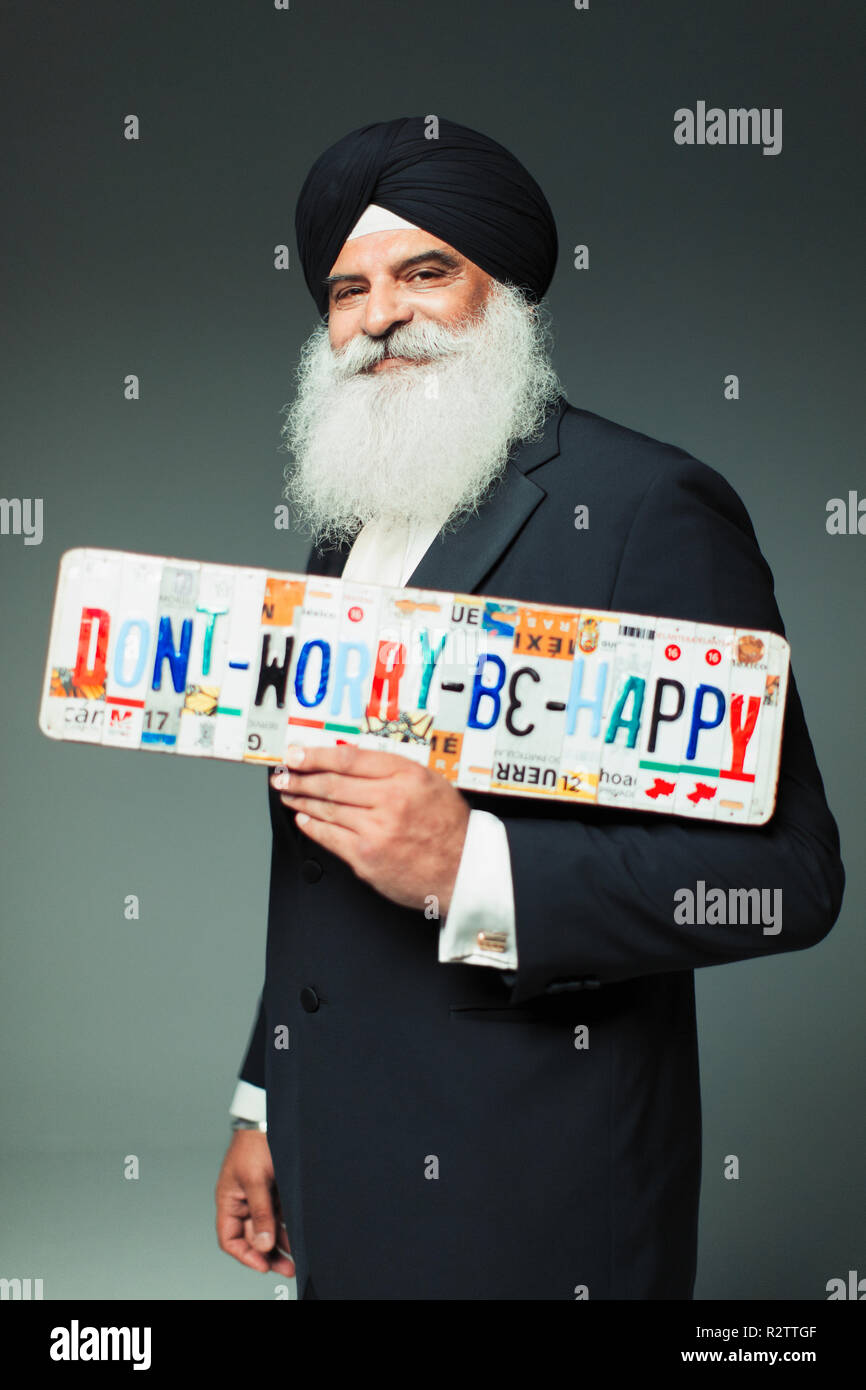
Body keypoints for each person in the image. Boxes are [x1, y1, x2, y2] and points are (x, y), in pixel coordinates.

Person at [214, 116, 844, 1300]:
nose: (379, 314)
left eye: (423, 272)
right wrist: (261, 1101)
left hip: (535, 1183)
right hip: (333, 1158)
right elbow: (317, 860)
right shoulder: (342, 536)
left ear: (503, 289)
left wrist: (473, 863)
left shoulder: (648, 505)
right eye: (347, 289)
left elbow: (793, 875)